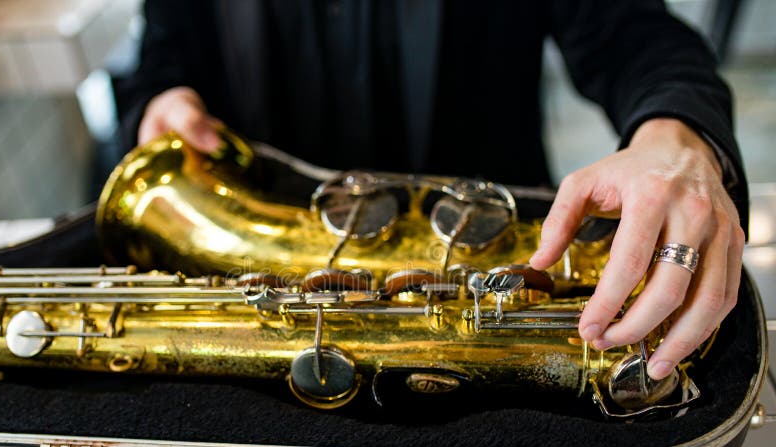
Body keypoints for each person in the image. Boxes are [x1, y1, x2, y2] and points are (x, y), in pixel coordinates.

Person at [115, 1, 748, 381]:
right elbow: (164, 53)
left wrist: (680, 141)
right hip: (261, 302)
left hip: (496, 278)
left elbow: (634, 36)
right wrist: (162, 101)